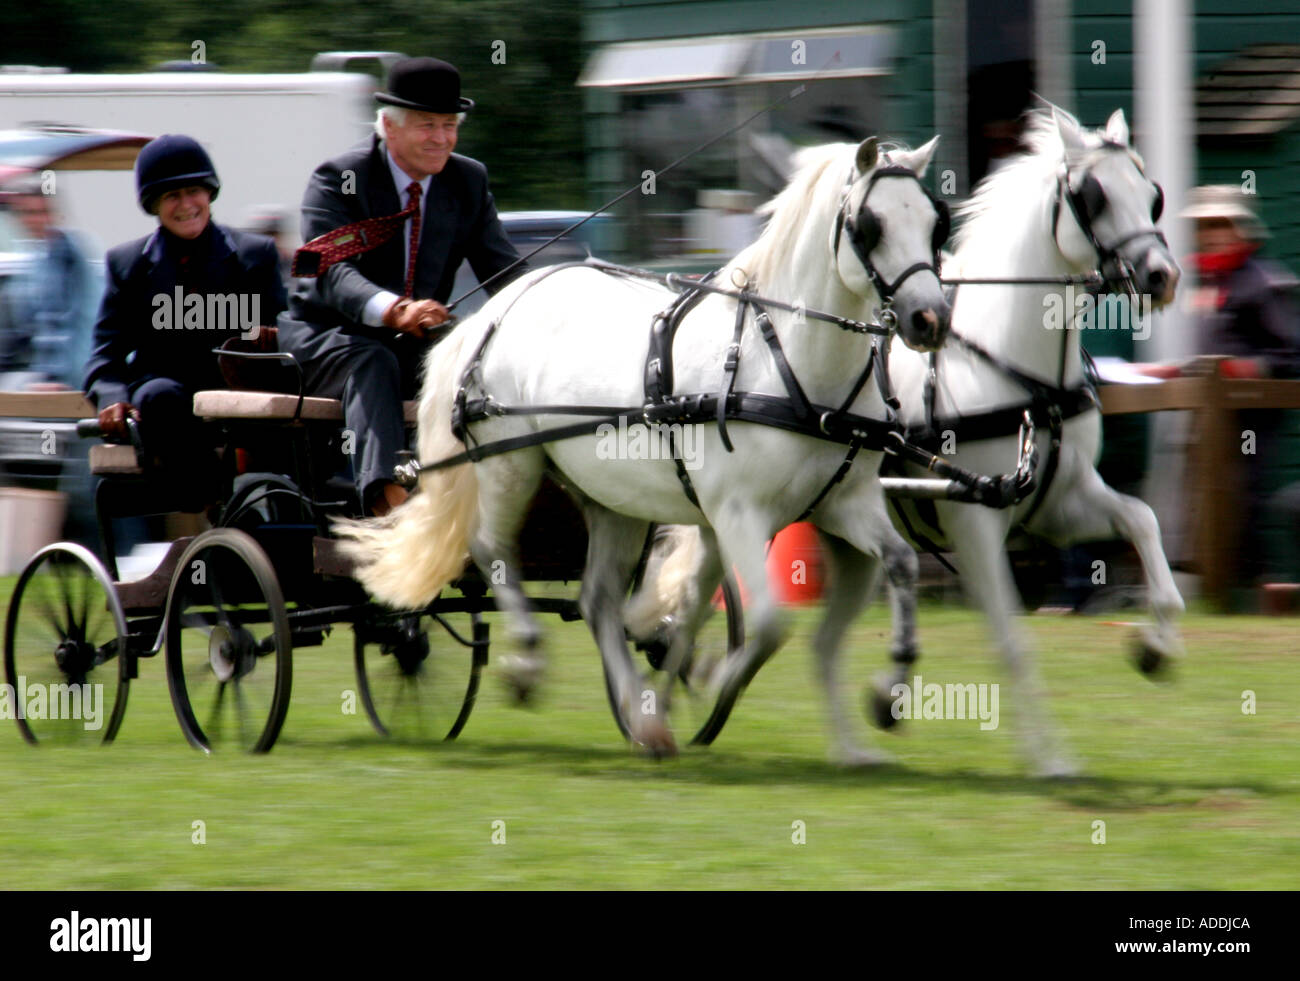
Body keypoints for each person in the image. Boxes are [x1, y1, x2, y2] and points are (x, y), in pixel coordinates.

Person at [277, 56, 526, 516]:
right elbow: (329, 272)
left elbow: (503, 271)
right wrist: (394, 310)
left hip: (415, 337)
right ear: (389, 128)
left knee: (483, 355)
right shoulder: (338, 179)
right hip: (327, 336)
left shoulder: (467, 180)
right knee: (372, 361)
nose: (441, 139)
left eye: (450, 125)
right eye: (427, 125)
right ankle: (386, 503)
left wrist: (556, 309)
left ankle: (490, 497)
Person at [83, 134, 287, 492]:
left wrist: (270, 337)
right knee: (158, 396)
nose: (186, 205)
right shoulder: (128, 264)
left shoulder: (255, 254)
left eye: (193, 191)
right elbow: (106, 355)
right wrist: (113, 398)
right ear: (154, 205)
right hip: (168, 404)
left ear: (209, 194)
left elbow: (287, 327)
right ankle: (210, 494)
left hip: (241, 393)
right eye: (171, 196)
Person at [1183, 185, 1300, 586]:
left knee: (1243, 499)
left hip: (1252, 417)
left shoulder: (1265, 283)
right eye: (1205, 225)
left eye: (1221, 223)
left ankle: (1250, 590)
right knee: (1207, 504)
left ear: (1241, 227)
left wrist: (1240, 370)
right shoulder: (1208, 282)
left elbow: (1289, 358)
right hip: (1211, 414)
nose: (1212, 233)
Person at [0, 177, 96, 390]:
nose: (34, 220)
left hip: (72, 379)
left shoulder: (71, 255)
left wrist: (64, 382)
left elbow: (81, 323)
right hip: (44, 375)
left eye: (40, 212)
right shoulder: (36, 259)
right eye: (27, 213)